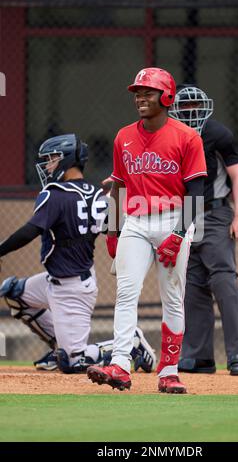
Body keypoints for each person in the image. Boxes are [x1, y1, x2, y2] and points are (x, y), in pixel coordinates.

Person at [87, 67, 207, 393]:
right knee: (126, 293)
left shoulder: (187, 137)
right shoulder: (123, 136)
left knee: (173, 298)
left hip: (175, 219)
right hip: (136, 222)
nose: (140, 97)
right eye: (137, 92)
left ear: (166, 97)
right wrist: (112, 232)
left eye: (148, 92)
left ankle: (169, 371)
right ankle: (121, 365)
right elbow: (118, 188)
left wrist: (180, 234)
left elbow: (197, 193)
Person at [0, 134, 156, 374]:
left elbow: (30, 231)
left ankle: (130, 343)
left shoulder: (54, 193)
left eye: (52, 159)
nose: (48, 165)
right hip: (61, 279)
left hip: (71, 288)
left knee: (73, 363)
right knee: (14, 293)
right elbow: (114, 227)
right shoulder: (97, 194)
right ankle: (59, 348)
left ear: (68, 161)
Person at [169, 85, 238, 375]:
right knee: (192, 285)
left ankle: (237, 353)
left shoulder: (217, 133)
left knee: (223, 280)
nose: (191, 113)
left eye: (196, 107)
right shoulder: (168, 135)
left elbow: (237, 174)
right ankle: (199, 356)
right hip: (185, 216)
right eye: (185, 107)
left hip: (215, 212)